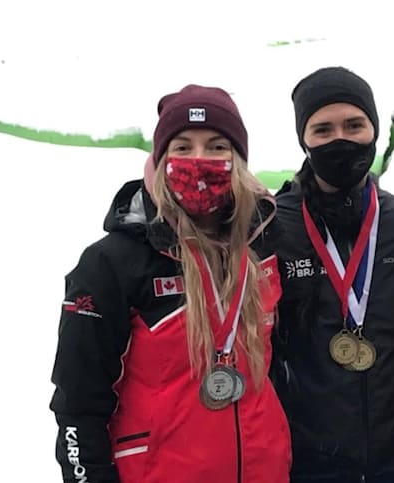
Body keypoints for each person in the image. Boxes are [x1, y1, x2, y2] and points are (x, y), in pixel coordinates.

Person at [49, 84, 291, 483]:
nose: (200, 159)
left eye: (217, 147)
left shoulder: (264, 244)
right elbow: (78, 404)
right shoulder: (111, 263)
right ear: (161, 159)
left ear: (238, 160)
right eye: (182, 147)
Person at [269, 66, 394, 483]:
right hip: (308, 463)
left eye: (354, 125)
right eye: (322, 130)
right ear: (303, 140)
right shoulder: (273, 226)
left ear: (374, 131)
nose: (340, 139)